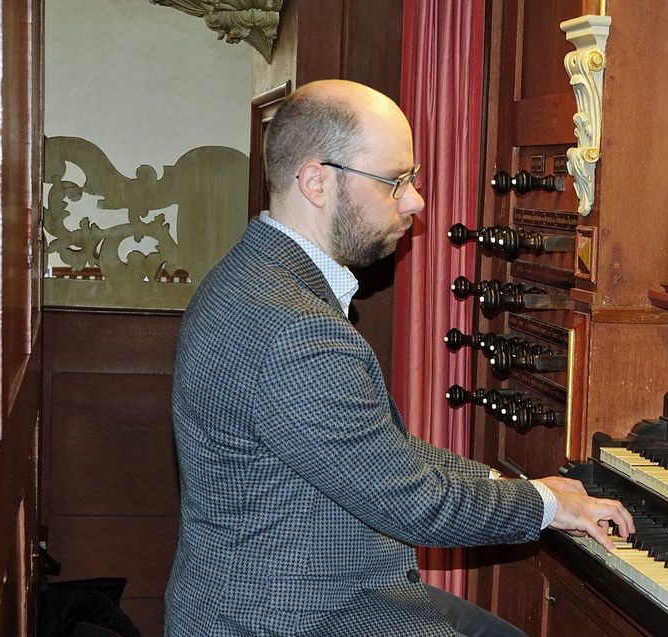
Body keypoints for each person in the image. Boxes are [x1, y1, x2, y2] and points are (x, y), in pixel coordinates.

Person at [165, 79, 633, 637]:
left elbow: (381, 455)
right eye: (395, 181)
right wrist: (544, 506)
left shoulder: (251, 273)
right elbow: (411, 501)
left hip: (271, 590)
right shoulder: (296, 329)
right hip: (292, 614)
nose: (416, 201)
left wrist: (519, 484)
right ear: (316, 181)